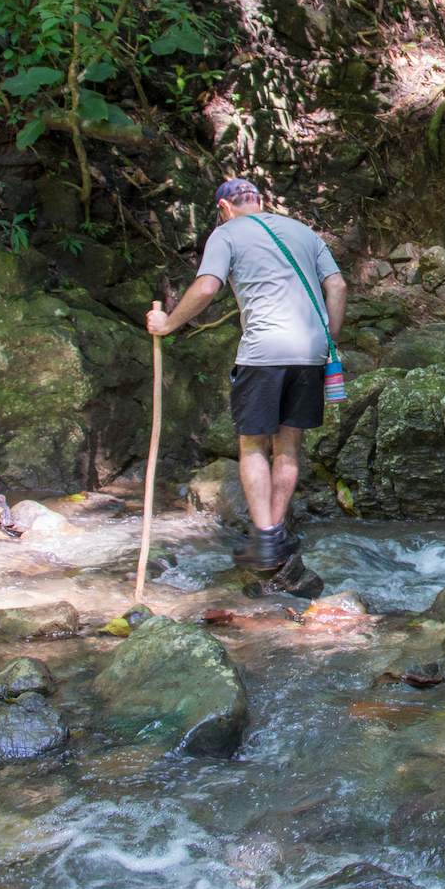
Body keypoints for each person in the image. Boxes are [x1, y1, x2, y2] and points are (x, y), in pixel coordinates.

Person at [147, 178, 346, 594]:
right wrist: (328, 339)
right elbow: (338, 286)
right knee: (288, 445)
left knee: (253, 444)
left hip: (264, 352)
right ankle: (274, 537)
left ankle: (266, 538)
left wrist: (168, 324)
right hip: (310, 353)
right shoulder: (302, 231)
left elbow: (206, 286)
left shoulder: (227, 233)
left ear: (224, 206)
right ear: (261, 201)